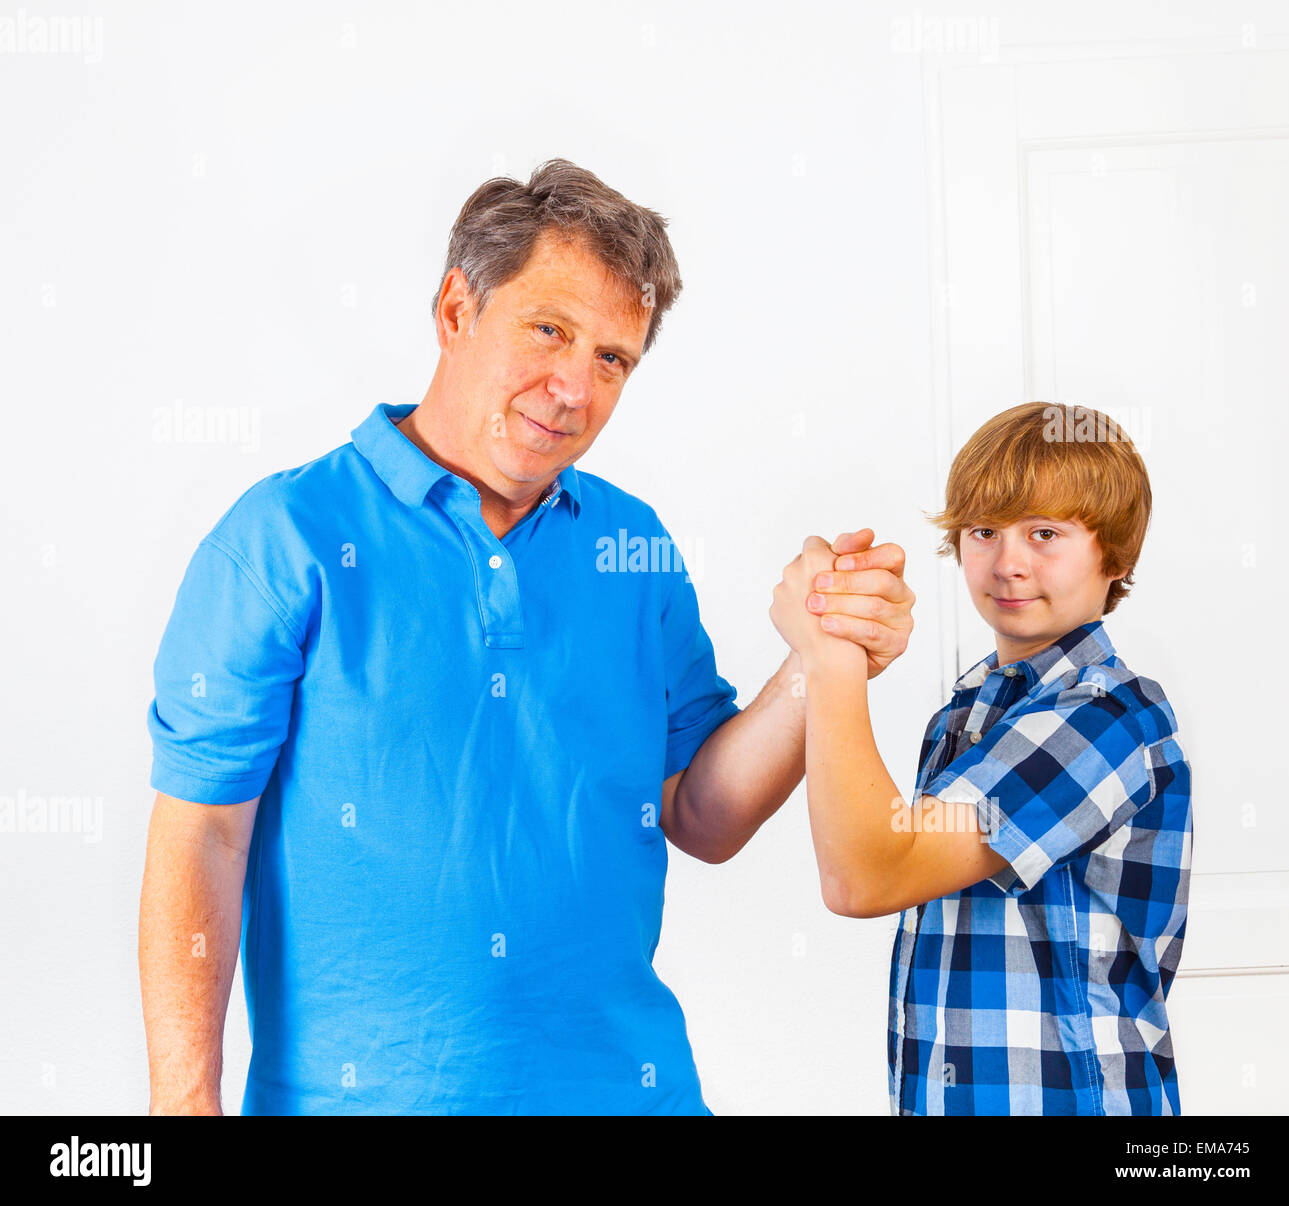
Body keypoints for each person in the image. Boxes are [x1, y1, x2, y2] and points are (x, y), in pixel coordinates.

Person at [139, 158, 917, 1115]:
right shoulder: (283, 538)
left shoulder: (632, 547)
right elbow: (204, 833)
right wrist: (182, 1107)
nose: (573, 387)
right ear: (456, 311)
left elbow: (703, 817)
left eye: (611, 358)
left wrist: (819, 660)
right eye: (549, 330)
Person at [770, 401, 1192, 1115]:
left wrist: (831, 656)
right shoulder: (966, 711)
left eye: (1046, 534)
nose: (1008, 563)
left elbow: (865, 875)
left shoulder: (1108, 713)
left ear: (1114, 555)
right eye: (984, 531)